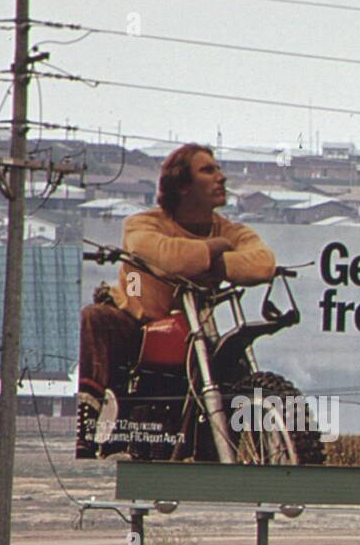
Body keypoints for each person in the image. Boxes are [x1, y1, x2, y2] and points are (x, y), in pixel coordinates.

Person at [76, 143, 276, 457]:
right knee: (96, 317)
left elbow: (263, 263)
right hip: (139, 322)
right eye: (208, 170)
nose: (221, 178)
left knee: (234, 369)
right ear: (183, 185)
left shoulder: (233, 230)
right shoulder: (142, 224)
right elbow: (168, 257)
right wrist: (216, 248)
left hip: (194, 330)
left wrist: (216, 262)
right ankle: (88, 424)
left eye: (218, 169)